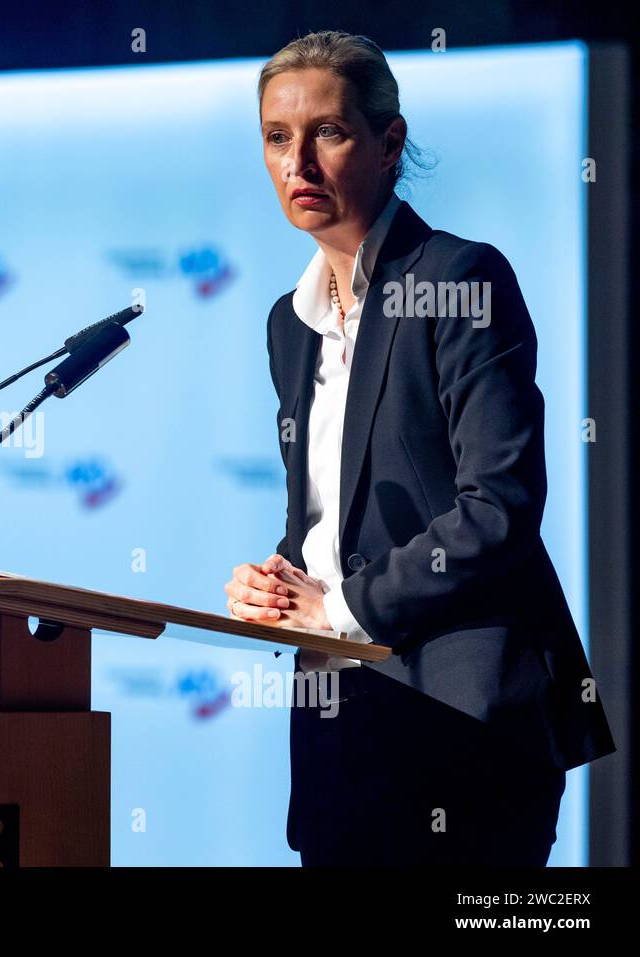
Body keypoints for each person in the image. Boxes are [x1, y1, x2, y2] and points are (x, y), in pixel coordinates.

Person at [223, 30, 615, 866]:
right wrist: (283, 577)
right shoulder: (287, 326)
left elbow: (498, 509)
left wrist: (341, 609)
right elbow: (338, 517)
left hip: (465, 727)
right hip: (342, 731)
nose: (299, 162)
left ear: (389, 142)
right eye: (276, 137)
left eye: (327, 132)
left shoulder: (462, 280)